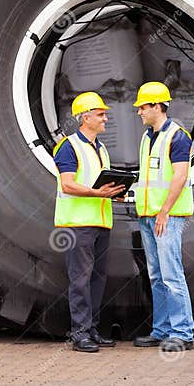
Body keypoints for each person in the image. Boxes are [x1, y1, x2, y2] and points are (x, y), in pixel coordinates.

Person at [53, 91, 125, 353]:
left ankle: (91, 328)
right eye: (100, 114)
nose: (106, 118)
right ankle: (79, 333)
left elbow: (97, 182)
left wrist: (113, 194)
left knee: (97, 278)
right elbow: (68, 183)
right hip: (79, 223)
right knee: (80, 280)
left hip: (100, 221)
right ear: (85, 117)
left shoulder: (100, 148)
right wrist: (98, 193)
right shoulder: (68, 147)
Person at [132, 82, 194, 352]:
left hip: (166, 217)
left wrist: (165, 211)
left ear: (158, 106)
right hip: (148, 216)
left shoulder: (178, 137)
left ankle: (183, 333)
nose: (139, 112)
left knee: (171, 274)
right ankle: (161, 330)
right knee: (156, 276)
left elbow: (179, 177)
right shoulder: (148, 137)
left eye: (143, 107)